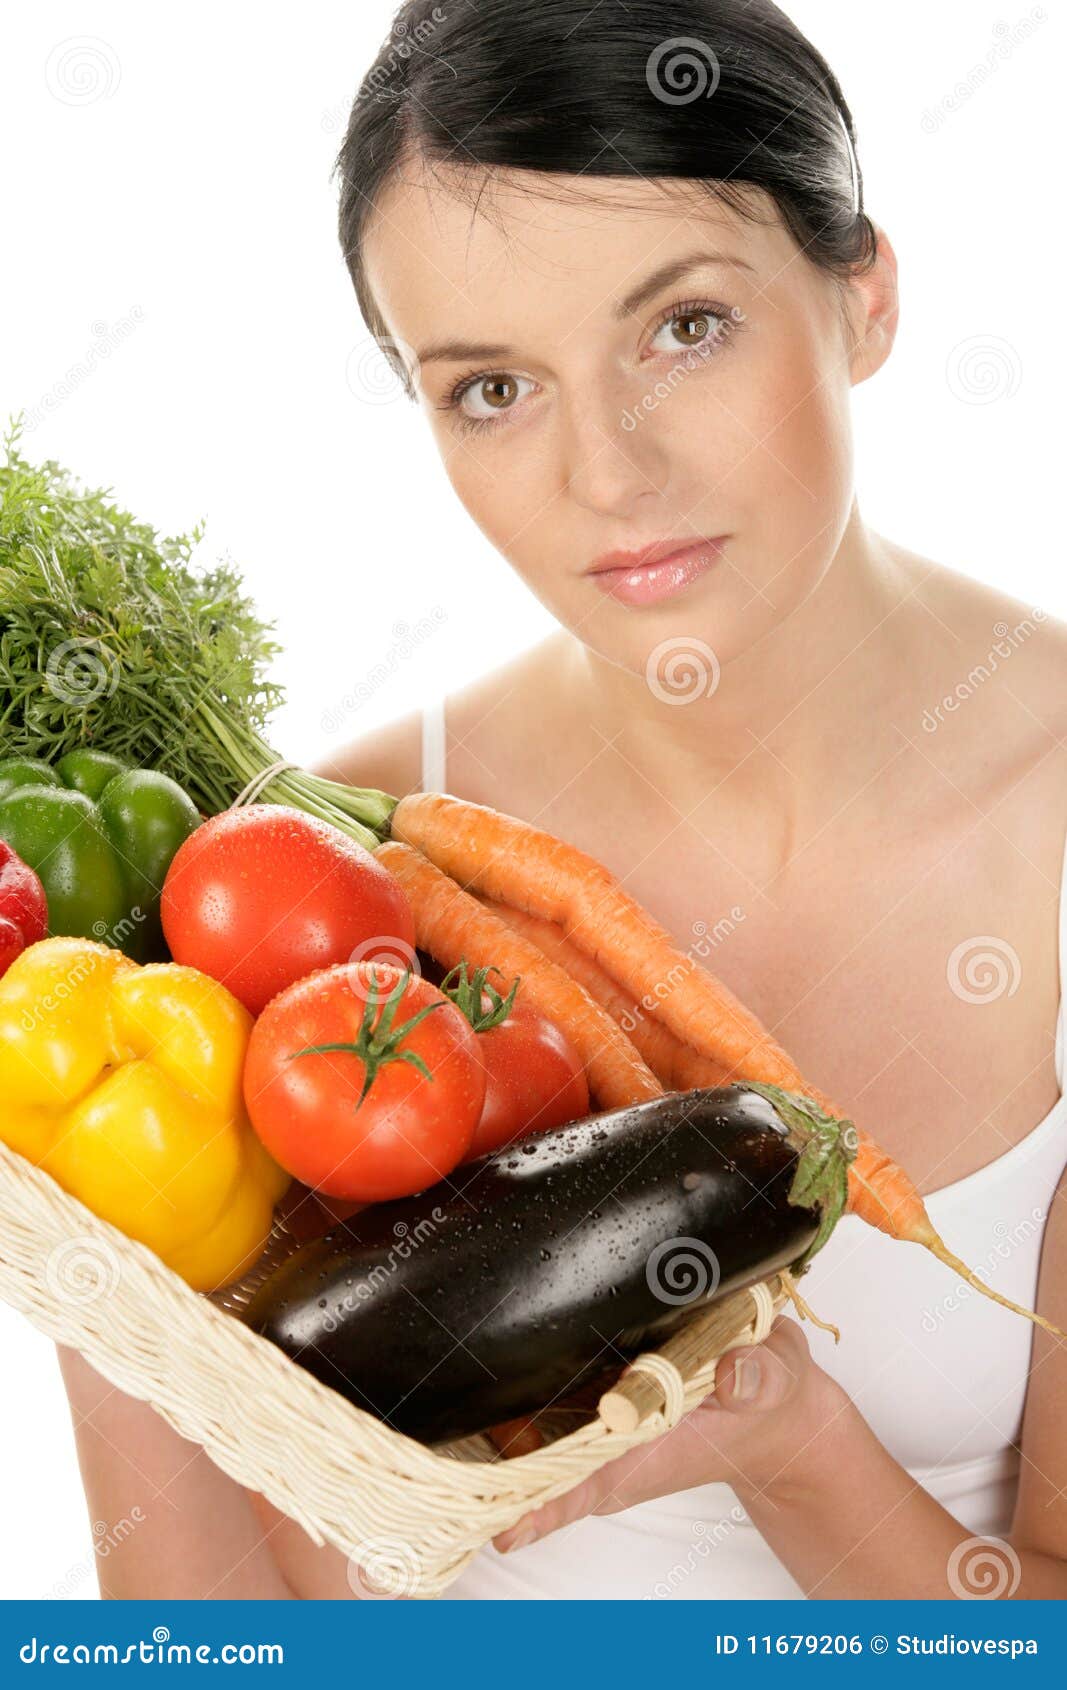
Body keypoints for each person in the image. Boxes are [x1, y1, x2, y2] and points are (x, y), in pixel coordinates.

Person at [58, 0, 1067, 1599]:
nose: (608, 471)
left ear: (864, 291)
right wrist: (98, 1270)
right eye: (492, 389)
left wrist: (785, 1437)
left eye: (682, 327)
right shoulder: (323, 880)